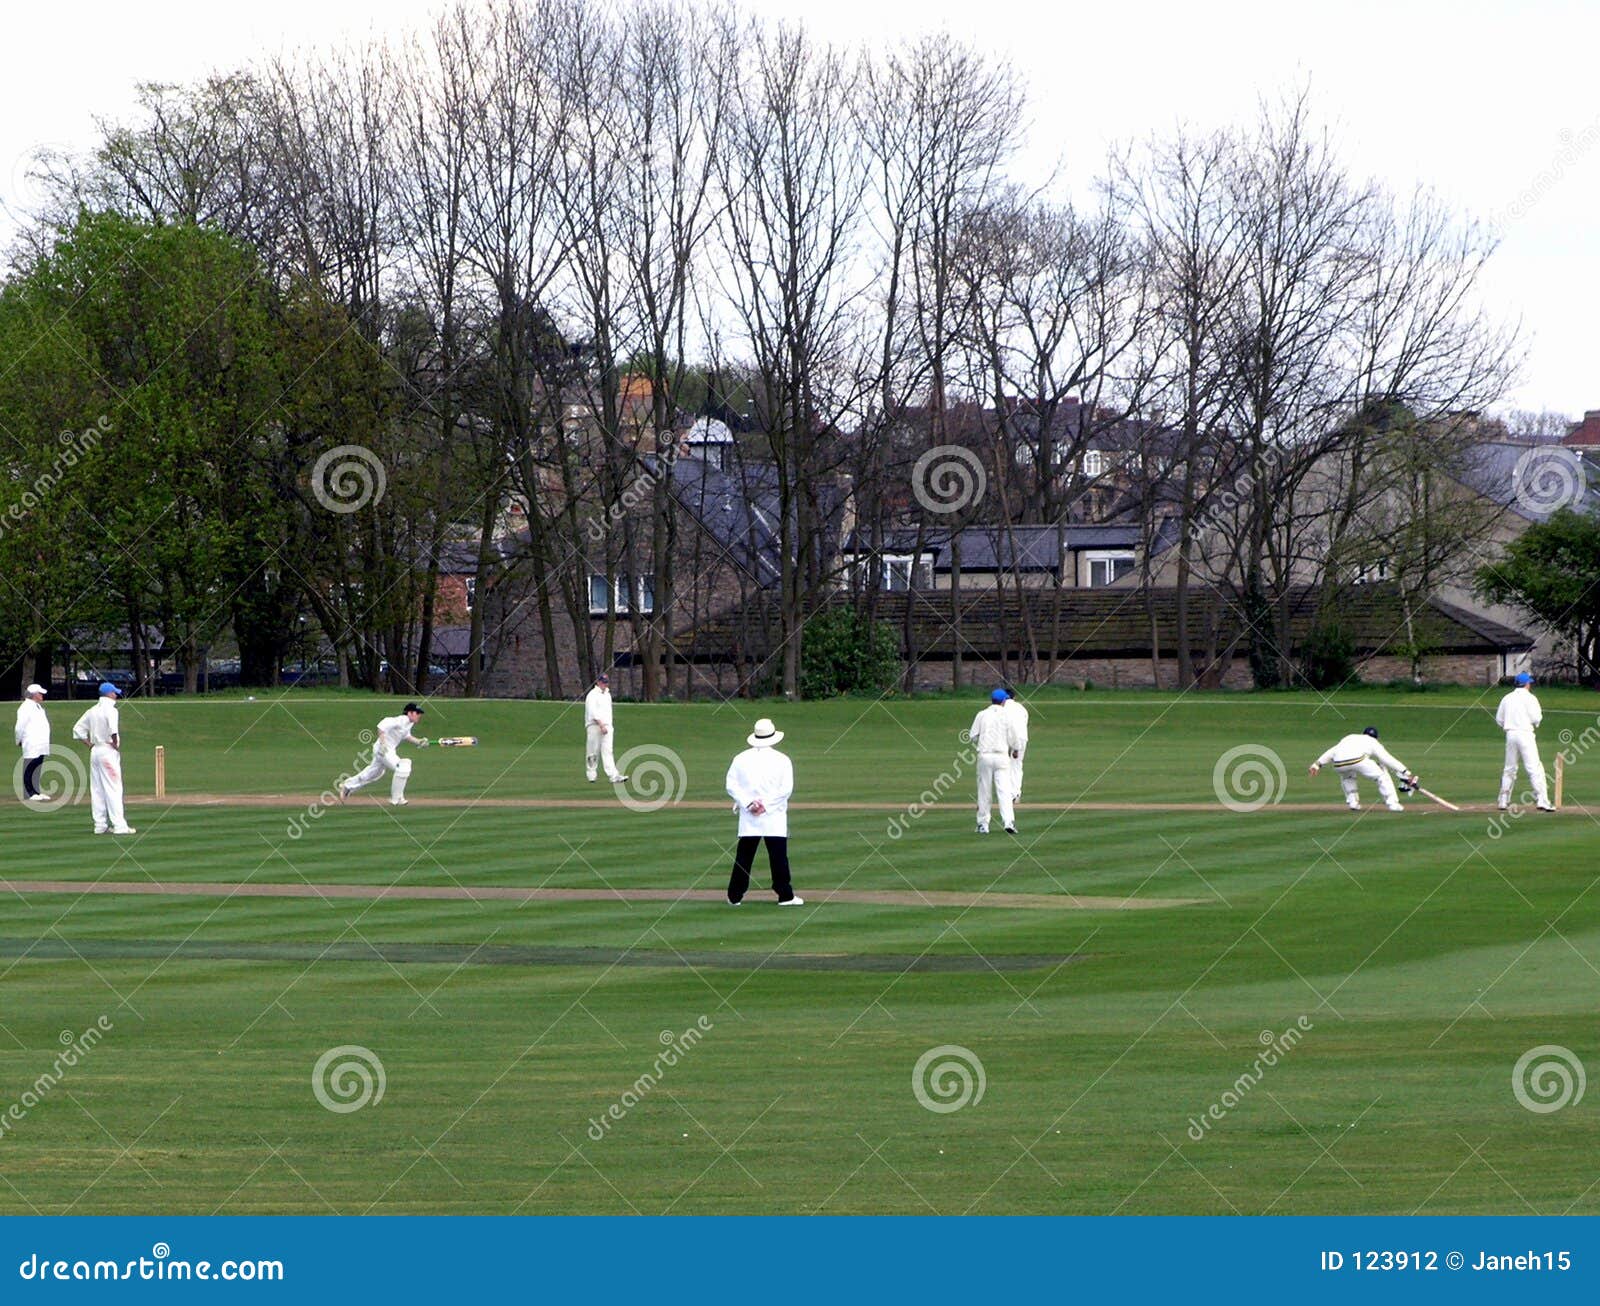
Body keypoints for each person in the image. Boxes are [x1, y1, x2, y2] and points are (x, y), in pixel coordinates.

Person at [725, 718, 803, 906]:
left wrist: (750, 803)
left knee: (744, 856)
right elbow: (786, 789)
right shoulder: (782, 760)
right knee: (778, 857)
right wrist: (765, 805)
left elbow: (731, 785)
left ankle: (734, 896)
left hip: (750, 815)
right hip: (773, 816)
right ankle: (785, 895)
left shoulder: (740, 758)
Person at [71, 682, 135, 834]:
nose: (116, 695)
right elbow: (113, 729)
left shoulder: (92, 710)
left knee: (97, 789)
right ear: (109, 694)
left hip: (96, 751)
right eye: (114, 693)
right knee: (113, 788)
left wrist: (90, 745)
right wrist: (114, 742)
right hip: (107, 750)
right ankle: (120, 826)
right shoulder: (111, 710)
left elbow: (77, 729)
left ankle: (100, 825)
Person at [1308, 726, 1417, 813]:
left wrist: (1317, 764)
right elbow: (1387, 759)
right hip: (1358, 760)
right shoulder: (1373, 741)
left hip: (1339, 763)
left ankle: (1353, 803)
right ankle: (1393, 803)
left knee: (1347, 776)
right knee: (1381, 775)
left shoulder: (1350, 737)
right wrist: (1405, 772)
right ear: (1376, 737)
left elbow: (1332, 751)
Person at [339, 703, 428, 806]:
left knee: (374, 774)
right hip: (384, 750)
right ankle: (397, 798)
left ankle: (347, 786)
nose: (419, 716)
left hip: (388, 751)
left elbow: (406, 736)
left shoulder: (409, 723)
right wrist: (383, 743)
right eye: (417, 713)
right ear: (409, 713)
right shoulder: (401, 720)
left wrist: (419, 741)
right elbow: (381, 726)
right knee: (403, 766)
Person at [1495, 671, 1554, 812]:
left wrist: (1509, 726)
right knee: (1534, 768)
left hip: (1510, 734)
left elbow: (1499, 719)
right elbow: (1536, 718)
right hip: (1525, 734)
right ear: (1527, 684)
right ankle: (1542, 800)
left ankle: (1503, 801)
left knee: (1509, 768)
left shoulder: (1506, 698)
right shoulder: (1531, 698)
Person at [971, 689, 1021, 834]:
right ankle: (1008, 822)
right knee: (1004, 790)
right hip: (1002, 757)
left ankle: (983, 824)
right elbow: (1014, 737)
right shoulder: (1007, 716)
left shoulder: (982, 714)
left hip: (985, 756)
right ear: (1004, 701)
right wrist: (1016, 749)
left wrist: (982, 742)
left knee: (984, 790)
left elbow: (973, 736)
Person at [583, 673, 628, 784]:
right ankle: (591, 774)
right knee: (593, 751)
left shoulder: (607, 695)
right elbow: (593, 712)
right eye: (603, 682)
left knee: (608, 751)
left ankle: (613, 775)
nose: (604, 684)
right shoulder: (592, 695)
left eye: (606, 682)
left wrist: (607, 725)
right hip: (594, 726)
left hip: (607, 726)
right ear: (598, 682)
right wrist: (601, 724)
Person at [14, 683, 50, 801]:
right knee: (30, 766)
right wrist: (18, 739)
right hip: (32, 741)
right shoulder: (25, 707)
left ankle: (36, 791)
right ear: (34, 695)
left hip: (40, 743)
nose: (42, 696)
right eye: (40, 693)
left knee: (37, 765)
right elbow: (20, 726)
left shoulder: (38, 707)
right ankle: (28, 792)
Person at [1002, 687, 1030, 801]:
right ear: (1014, 697)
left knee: (1004, 767)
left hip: (1006, 738)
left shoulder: (1001, 708)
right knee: (1017, 766)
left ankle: (1007, 794)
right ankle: (1015, 793)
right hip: (1022, 738)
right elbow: (1024, 724)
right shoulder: (1022, 708)